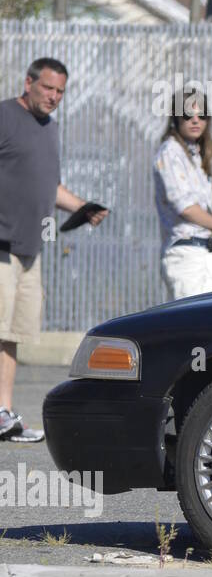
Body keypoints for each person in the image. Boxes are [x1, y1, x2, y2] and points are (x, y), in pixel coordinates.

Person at [0, 58, 107, 442]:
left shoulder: (50, 128)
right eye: (48, 88)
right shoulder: (5, 116)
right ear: (28, 82)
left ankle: (3, 413)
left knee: (11, 333)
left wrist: (82, 207)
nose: (54, 97)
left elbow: (49, 185)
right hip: (1, 245)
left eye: (61, 91)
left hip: (29, 249)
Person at [153, 88, 212, 301]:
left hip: (209, 252)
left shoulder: (197, 155)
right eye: (188, 115)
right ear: (176, 118)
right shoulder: (170, 152)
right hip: (185, 253)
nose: (195, 120)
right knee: (191, 329)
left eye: (202, 115)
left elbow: (209, 204)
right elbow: (186, 208)